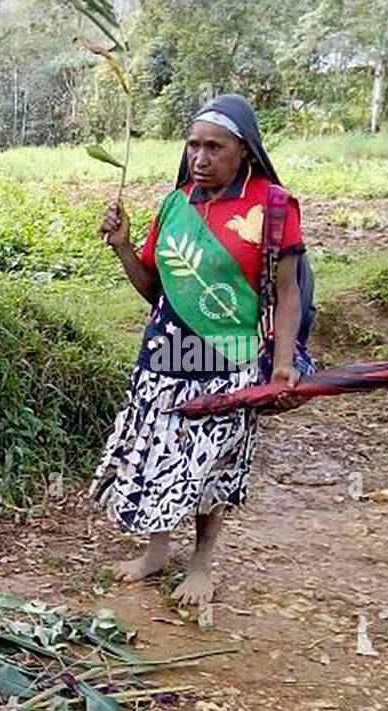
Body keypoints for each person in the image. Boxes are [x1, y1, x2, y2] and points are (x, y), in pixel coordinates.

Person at [93, 94, 315, 606]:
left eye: (214, 147)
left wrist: (282, 365)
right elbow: (156, 291)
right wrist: (125, 247)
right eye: (193, 145)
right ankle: (156, 551)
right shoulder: (175, 205)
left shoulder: (274, 206)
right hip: (167, 356)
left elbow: (287, 290)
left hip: (230, 357)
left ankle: (200, 563)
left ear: (245, 151)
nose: (200, 157)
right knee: (162, 457)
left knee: (212, 465)